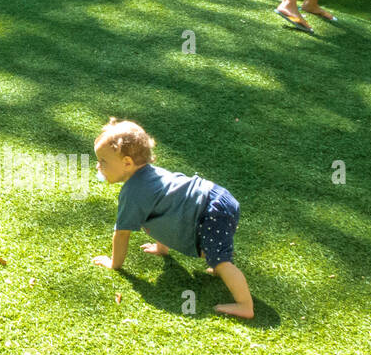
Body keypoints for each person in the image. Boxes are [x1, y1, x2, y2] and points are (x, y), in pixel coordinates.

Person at [91, 118, 253, 319]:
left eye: (103, 162)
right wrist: (161, 248)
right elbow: (167, 212)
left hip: (210, 211)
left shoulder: (132, 192)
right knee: (214, 251)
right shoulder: (150, 174)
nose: (98, 167)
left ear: (127, 163)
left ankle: (245, 305)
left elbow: (122, 233)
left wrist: (114, 263)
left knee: (221, 261)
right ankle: (220, 265)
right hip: (216, 197)